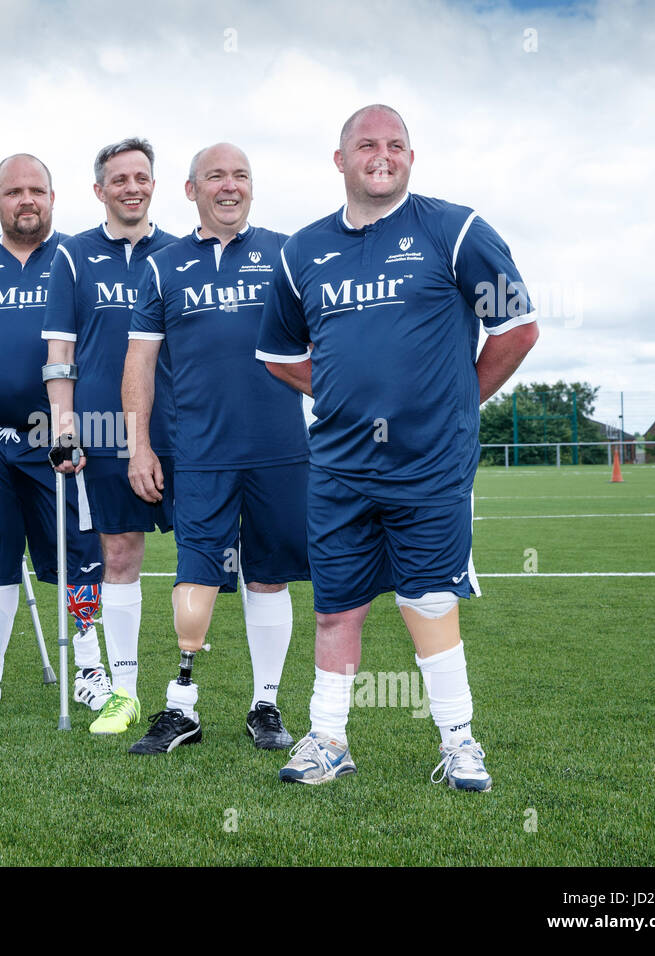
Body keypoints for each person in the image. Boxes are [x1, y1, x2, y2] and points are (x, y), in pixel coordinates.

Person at [256, 104, 538, 791]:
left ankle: (460, 742)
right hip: (340, 465)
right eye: (365, 144)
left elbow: (517, 329)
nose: (381, 155)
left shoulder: (455, 229)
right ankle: (327, 740)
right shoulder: (302, 251)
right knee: (335, 606)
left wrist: (456, 402)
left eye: (395, 144)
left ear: (411, 157)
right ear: (340, 159)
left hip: (430, 464)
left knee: (429, 601)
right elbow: (277, 354)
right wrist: (346, 396)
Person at [123, 143, 309, 754]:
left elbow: (332, 338)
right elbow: (140, 363)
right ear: (191, 189)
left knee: (270, 578)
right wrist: (139, 447)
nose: (229, 187)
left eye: (240, 176)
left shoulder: (289, 252)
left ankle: (266, 705)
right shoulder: (161, 265)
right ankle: (182, 708)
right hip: (199, 453)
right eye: (215, 177)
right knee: (195, 576)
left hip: (280, 451)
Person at [0, 153, 105, 712]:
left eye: (37, 190)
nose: (26, 200)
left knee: (78, 553)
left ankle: (91, 667)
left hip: (57, 433)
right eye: (14, 191)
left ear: (53, 198)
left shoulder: (78, 258)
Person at [41, 137, 178, 734]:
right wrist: (64, 426)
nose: (131, 187)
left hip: (180, 427)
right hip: (102, 429)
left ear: (154, 184)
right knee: (117, 555)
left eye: (140, 177)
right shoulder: (72, 256)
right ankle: (124, 691)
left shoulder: (178, 253)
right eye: (118, 179)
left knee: (211, 556)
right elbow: (60, 353)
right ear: (100, 190)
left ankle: (236, 699)